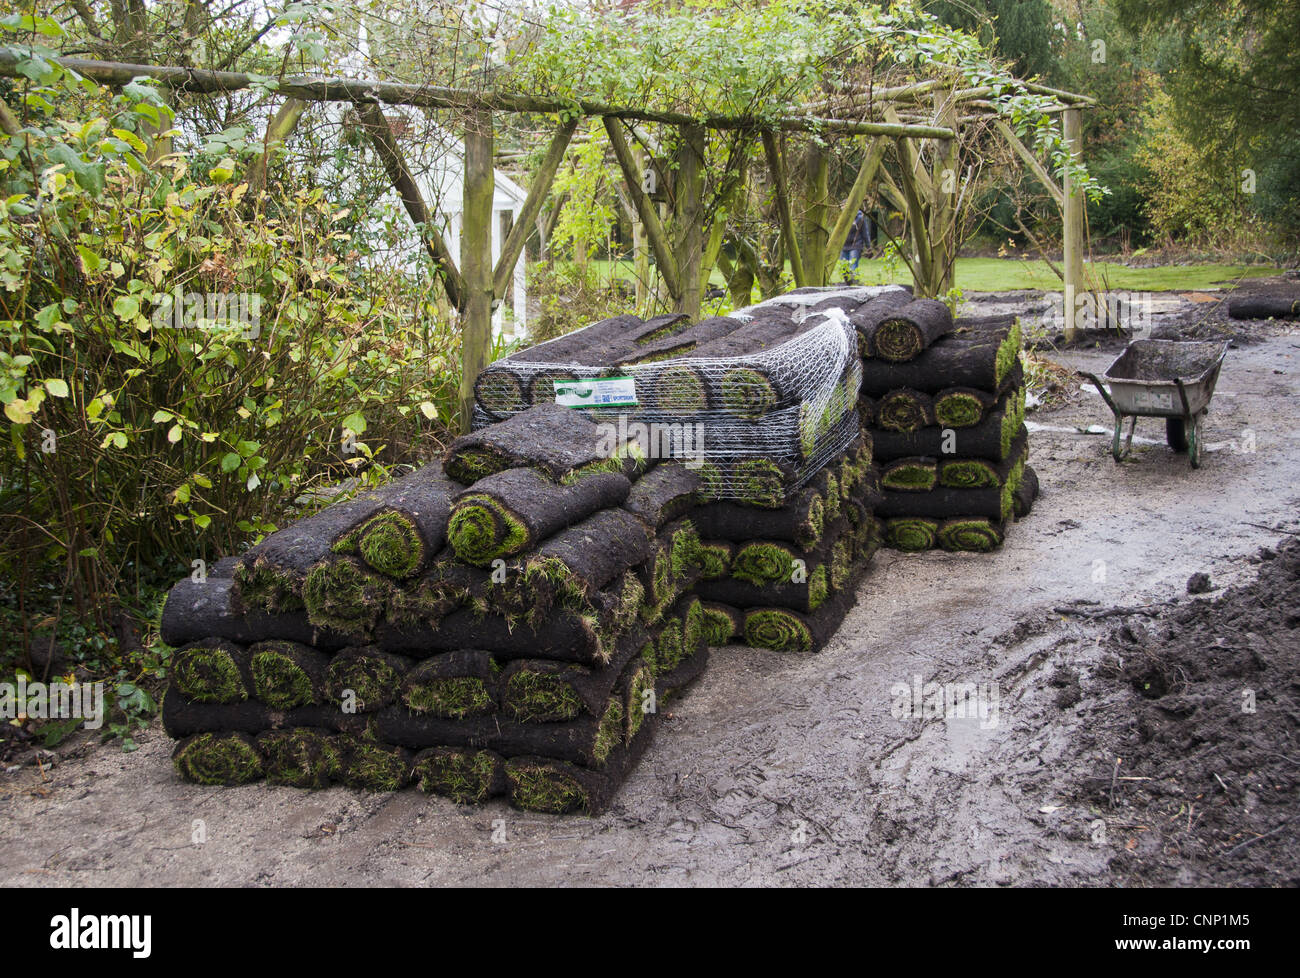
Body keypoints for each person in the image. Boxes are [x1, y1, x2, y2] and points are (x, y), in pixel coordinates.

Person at [841, 207, 871, 282]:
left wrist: (868, 246)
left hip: (856, 245)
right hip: (844, 246)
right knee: (844, 268)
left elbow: (865, 233)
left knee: (853, 266)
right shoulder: (843, 218)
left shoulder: (860, 218)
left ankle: (855, 283)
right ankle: (848, 284)